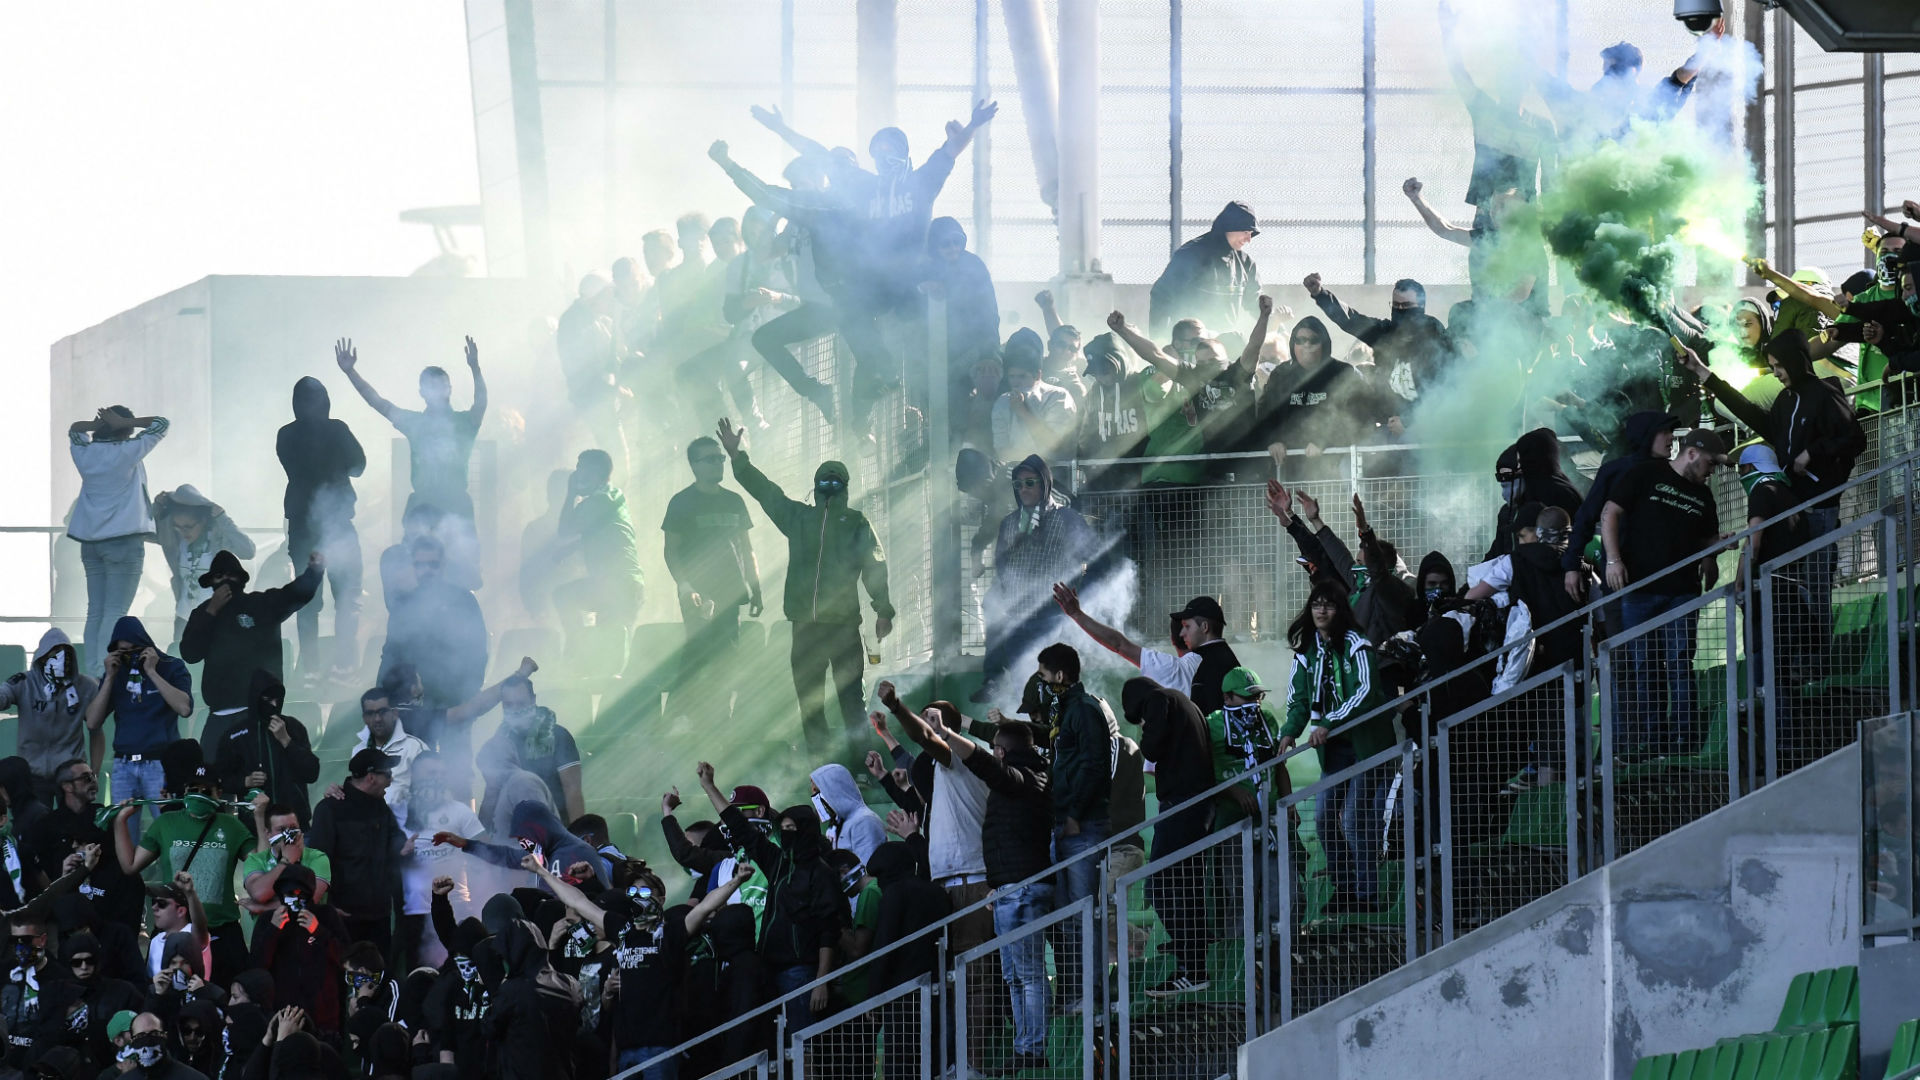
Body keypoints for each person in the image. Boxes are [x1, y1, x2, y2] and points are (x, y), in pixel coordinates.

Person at [1682, 335, 1865, 674]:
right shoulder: (1785, 399)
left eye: (1779, 366)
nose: (1776, 373)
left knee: (1813, 588)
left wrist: (1812, 453)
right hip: (1793, 507)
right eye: (1773, 367)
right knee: (1792, 591)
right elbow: (1753, 416)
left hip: (1819, 508)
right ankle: (1796, 667)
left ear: (1796, 361)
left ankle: (1815, 666)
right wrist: (1704, 374)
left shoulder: (1825, 394)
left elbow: (1854, 438)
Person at [719, 419, 894, 760]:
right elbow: (766, 492)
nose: (829, 487)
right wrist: (737, 457)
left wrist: (883, 610)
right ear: (815, 487)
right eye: (823, 481)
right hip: (804, 626)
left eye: (835, 481)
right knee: (810, 701)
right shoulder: (798, 517)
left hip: (843, 627)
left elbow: (875, 566)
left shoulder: (856, 522)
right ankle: (821, 766)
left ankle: (864, 766)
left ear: (845, 487)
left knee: (851, 701)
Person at [532, 853, 752, 1080]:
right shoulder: (623, 931)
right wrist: (541, 872)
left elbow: (705, 906)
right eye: (633, 893)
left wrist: (737, 881)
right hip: (626, 1048)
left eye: (645, 892)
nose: (638, 898)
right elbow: (578, 902)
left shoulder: (671, 933)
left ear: (661, 899)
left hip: (660, 1049)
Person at [1599, 428, 1727, 759]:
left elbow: (1706, 539)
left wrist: (1714, 553)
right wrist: (1612, 560)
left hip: (1682, 590)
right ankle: (1653, 740)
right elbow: (1609, 512)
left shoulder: (1704, 496)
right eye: (1711, 463)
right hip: (1640, 589)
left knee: (1679, 663)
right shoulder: (1645, 474)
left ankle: (1684, 738)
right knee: (1646, 665)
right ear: (1692, 453)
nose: (1712, 471)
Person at [696, 761, 845, 1036]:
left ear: (806, 830)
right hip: (768, 966)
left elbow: (828, 930)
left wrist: (821, 981)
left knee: (803, 1043)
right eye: (783, 828)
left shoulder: (821, 874)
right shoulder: (776, 861)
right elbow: (739, 826)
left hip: (801, 972)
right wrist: (709, 786)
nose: (786, 834)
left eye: (791, 828)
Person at [938, 717, 1052, 1071]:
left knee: (1028, 975)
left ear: (1001, 752)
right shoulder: (1032, 776)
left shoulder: (1023, 778)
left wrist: (946, 734)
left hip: (1021, 890)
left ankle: (1032, 1049)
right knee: (1015, 976)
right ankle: (1025, 1046)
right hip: (1010, 890)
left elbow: (986, 767)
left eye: (994, 750)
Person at [1278, 581, 1396, 914]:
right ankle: (1344, 889)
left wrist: (1329, 722)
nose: (1321, 610)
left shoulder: (1357, 644)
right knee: (1323, 818)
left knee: (1356, 819)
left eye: (1328, 604)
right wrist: (1289, 732)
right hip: (1334, 751)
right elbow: (1299, 700)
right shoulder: (1306, 652)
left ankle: (1366, 894)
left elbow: (1366, 692)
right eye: (1316, 604)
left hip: (1368, 745)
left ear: (1340, 609)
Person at [113, 758, 253, 983]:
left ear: (218, 794)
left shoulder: (232, 826)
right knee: (166, 992)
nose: (198, 795)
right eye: (192, 789)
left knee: (227, 994)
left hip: (222, 932)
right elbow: (130, 865)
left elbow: (259, 864)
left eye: (206, 790)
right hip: (175, 931)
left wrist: (261, 818)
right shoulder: (166, 822)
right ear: (184, 791)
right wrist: (121, 821)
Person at [1124, 676, 1218, 997]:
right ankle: (1193, 954)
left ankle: (1191, 965)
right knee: (1188, 886)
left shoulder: (1159, 700)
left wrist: (1146, 728)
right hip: (1199, 805)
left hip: (1181, 805)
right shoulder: (1185, 703)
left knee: (1160, 886)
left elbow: (1150, 748)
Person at [980, 455, 1097, 701]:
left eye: (1030, 483)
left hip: (1052, 618)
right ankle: (993, 682)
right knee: (1025, 691)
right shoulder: (1010, 523)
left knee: (1057, 688)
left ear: (1044, 484)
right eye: (1018, 484)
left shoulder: (1066, 518)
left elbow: (1094, 559)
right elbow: (1001, 565)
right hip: (1017, 619)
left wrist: (1079, 592)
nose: (1023, 489)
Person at [662, 436, 764, 719]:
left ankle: (718, 721)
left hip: (731, 593)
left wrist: (755, 587)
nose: (718, 463)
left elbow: (747, 548)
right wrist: (685, 587)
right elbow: (670, 551)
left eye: (720, 458)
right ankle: (678, 720)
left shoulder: (734, 501)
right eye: (710, 459)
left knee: (727, 660)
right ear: (694, 465)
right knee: (696, 657)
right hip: (698, 596)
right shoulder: (681, 502)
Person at [179, 549, 322, 749]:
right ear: (211, 582)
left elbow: (295, 594)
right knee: (211, 765)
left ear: (240, 579)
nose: (226, 581)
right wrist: (211, 611)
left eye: (231, 575)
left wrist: (315, 570)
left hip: (258, 712)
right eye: (219, 576)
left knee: (257, 766)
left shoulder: (261, 604)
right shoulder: (202, 612)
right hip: (219, 715)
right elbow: (190, 653)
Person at [334, 336, 487, 523]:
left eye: (443, 385)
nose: (439, 390)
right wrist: (351, 372)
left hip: (457, 508)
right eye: (433, 386)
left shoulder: (463, 423)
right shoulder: (415, 423)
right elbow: (378, 402)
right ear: (422, 392)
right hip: (422, 508)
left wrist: (475, 368)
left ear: (450, 389)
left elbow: (481, 403)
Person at [276, 375, 369, 683]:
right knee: (346, 598)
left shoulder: (285, 434)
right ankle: (343, 667)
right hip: (337, 525)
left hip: (303, 527)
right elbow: (359, 465)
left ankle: (311, 670)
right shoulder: (337, 429)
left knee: (307, 602)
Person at [66, 406, 170, 674]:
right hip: (123, 541)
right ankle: (104, 671)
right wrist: (126, 421)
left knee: (95, 611)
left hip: (90, 542)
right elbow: (161, 423)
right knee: (115, 610)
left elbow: (75, 430)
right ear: (126, 429)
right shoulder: (128, 451)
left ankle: (92, 669)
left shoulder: (85, 453)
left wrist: (95, 424)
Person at [1051, 587, 1241, 716]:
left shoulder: (1186, 666)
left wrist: (1076, 614)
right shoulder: (1229, 659)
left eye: (1187, 626)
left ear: (1205, 627)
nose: (1183, 633)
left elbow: (1119, 645)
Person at [83, 617, 194, 832]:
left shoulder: (171, 666)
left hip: (160, 763)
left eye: (135, 650)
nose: (130, 656)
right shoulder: (116, 672)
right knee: (123, 832)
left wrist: (152, 671)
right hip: (124, 764)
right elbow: (93, 721)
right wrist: (109, 678)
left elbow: (184, 708)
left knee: (169, 829)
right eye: (123, 651)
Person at [1303, 273, 1454, 425]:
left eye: (1406, 306)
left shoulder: (1433, 335)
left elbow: (1446, 389)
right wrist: (1320, 294)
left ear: (1420, 307)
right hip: (1388, 424)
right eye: (1396, 305)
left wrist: (1409, 422)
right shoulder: (1385, 333)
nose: (1400, 310)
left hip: (1426, 426)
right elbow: (1351, 320)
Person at [1563, 411, 1679, 605]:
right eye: (1664, 431)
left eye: (1671, 431)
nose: (1672, 437)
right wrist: (1572, 566)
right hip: (1620, 580)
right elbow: (1586, 518)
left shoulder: (1675, 472)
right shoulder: (1615, 471)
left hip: (1667, 583)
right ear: (1646, 435)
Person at [310, 748, 410, 961]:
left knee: (379, 971)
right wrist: (327, 906)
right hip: (344, 915)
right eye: (388, 774)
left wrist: (403, 848)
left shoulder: (380, 807)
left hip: (379, 914)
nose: (391, 780)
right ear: (371, 777)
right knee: (346, 970)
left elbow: (395, 839)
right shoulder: (329, 809)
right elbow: (318, 861)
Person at [551, 449, 645, 665]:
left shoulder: (599, 500)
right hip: (621, 585)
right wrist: (571, 549)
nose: (578, 474)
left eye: (583, 469)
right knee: (609, 654)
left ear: (598, 473)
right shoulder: (612, 496)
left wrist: (570, 494)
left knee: (564, 597)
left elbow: (564, 530)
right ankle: (581, 652)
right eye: (578, 468)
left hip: (619, 586)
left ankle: (576, 648)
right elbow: (602, 533)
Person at [1254, 315, 1377, 480]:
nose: (1307, 345)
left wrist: (1326, 442)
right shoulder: (1281, 374)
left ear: (1324, 343)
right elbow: (1264, 413)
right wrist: (1272, 440)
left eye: (1313, 340)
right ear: (1293, 344)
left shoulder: (1343, 373)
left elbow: (1363, 415)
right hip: (1287, 464)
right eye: (1300, 340)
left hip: (1333, 466)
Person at [26, 760, 142, 927]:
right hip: (67, 910)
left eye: (93, 776)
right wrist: (63, 874)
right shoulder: (47, 826)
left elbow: (122, 863)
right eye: (86, 778)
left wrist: (120, 820)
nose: (93, 781)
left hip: (107, 906)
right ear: (67, 786)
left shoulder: (104, 816)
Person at [380, 535, 489, 711]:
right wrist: (382, 697)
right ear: (413, 566)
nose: (426, 570)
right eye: (420, 565)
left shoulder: (464, 601)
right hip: (413, 704)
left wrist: (468, 696)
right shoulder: (402, 607)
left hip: (456, 702)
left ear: (443, 565)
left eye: (433, 564)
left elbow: (478, 652)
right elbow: (390, 655)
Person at [397, 752, 482, 968]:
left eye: (442, 774)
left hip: (457, 907)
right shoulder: (397, 813)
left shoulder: (460, 812)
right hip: (416, 912)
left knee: (460, 972)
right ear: (415, 777)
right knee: (422, 975)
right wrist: (401, 854)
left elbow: (485, 855)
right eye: (432, 773)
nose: (438, 779)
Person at [248, 864, 349, 1037]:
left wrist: (318, 931)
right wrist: (273, 930)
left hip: (323, 1017)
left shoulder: (326, 915)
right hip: (281, 1014)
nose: (295, 900)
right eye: (290, 894)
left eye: (301, 895)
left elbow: (345, 958)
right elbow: (256, 966)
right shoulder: (268, 919)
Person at [150, 486, 256, 649]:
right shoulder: (175, 540)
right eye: (177, 526)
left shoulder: (218, 539)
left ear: (203, 521)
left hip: (217, 616)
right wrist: (156, 507)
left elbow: (248, 551)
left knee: (214, 661)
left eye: (188, 526)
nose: (183, 531)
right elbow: (143, 530)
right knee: (182, 660)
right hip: (184, 618)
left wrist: (222, 518)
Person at [473, 673, 584, 825]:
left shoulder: (558, 736)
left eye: (521, 703)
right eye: (509, 705)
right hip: (512, 829)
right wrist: (482, 833)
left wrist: (577, 834)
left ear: (533, 700)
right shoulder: (498, 743)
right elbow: (491, 794)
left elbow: (572, 789)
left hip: (554, 827)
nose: (515, 709)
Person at [210, 673, 320, 825]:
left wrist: (286, 740)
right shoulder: (236, 735)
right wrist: (245, 781)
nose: (274, 705)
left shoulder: (294, 727)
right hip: (254, 823)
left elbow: (312, 772)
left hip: (294, 821)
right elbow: (220, 778)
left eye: (278, 699)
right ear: (256, 699)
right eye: (268, 699)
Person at [1, 630, 96, 805]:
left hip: (71, 775)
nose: (61, 661)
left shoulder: (86, 686)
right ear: (42, 657)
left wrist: (93, 772)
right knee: (38, 820)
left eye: (66, 656)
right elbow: (4, 694)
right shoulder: (24, 682)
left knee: (72, 822)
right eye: (54, 655)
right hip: (34, 773)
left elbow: (96, 728)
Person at [557, 272, 630, 484]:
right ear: (594, 297)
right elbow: (585, 367)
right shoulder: (575, 322)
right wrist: (614, 389)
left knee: (615, 456)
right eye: (607, 295)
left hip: (601, 397)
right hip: (594, 399)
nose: (611, 300)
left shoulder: (596, 320)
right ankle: (614, 497)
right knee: (615, 458)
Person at [1148, 200, 1262, 337]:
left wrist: (1273, 319)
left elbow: (1255, 304)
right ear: (1230, 226)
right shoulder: (1192, 255)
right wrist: (1160, 338)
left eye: (1251, 233)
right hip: (1191, 343)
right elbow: (1162, 295)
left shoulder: (1246, 264)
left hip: (1223, 344)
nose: (1249, 239)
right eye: (1246, 232)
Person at [1486, 428, 1586, 560]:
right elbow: (1498, 550)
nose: (1505, 492)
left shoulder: (1558, 497)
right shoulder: (1509, 511)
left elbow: (1556, 551)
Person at [921, 216, 1001, 370]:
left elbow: (988, 310)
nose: (953, 248)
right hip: (937, 347)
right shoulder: (926, 268)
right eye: (945, 244)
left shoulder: (974, 265)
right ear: (934, 246)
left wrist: (990, 349)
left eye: (956, 242)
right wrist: (922, 289)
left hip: (975, 343)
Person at [240, 800, 332, 922]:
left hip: (307, 930)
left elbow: (310, 900)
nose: (288, 834)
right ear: (268, 833)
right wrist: (286, 861)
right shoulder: (256, 860)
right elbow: (259, 894)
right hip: (269, 931)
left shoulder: (318, 858)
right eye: (281, 829)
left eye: (293, 828)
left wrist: (265, 907)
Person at [349, 687, 431, 823]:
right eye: (370, 713)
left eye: (382, 712)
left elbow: (430, 793)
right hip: (366, 825)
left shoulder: (415, 748)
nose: (377, 719)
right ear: (364, 718)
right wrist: (337, 791)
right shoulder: (358, 750)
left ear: (394, 713)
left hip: (404, 825)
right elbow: (356, 789)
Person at [991, 339, 1078, 465]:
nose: (1016, 383)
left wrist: (1023, 412)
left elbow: (1056, 447)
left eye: (1022, 376)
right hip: (1016, 471)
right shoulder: (1003, 402)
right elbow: (1001, 449)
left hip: (1055, 471)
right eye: (1012, 377)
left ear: (1038, 375)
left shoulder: (1059, 397)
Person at [809, 762, 887, 867]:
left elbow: (869, 867)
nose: (815, 797)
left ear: (834, 789)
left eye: (817, 791)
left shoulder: (864, 821)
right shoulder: (837, 823)